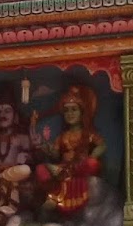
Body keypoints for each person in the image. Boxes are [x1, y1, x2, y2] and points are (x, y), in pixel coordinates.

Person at [34, 82, 105, 217]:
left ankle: (60, 194)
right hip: (63, 169)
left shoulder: (88, 133)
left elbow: (101, 146)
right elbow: (56, 155)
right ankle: (54, 195)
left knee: (92, 164)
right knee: (41, 169)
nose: (70, 114)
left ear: (82, 113)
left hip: (79, 167)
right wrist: (46, 147)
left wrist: (92, 156)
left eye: (74, 110)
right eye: (66, 111)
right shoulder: (63, 136)